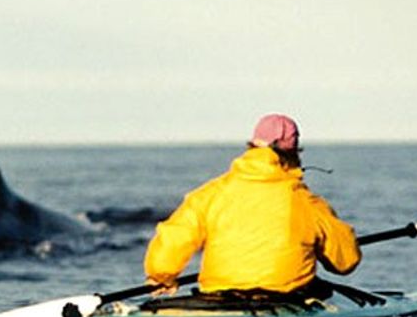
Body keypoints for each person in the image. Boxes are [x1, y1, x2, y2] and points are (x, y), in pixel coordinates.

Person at [144, 114, 361, 299]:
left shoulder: (210, 193)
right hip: (285, 298)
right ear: (294, 153)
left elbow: (175, 236)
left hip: (219, 295)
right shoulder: (307, 202)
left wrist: (161, 276)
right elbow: (345, 262)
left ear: (252, 146)